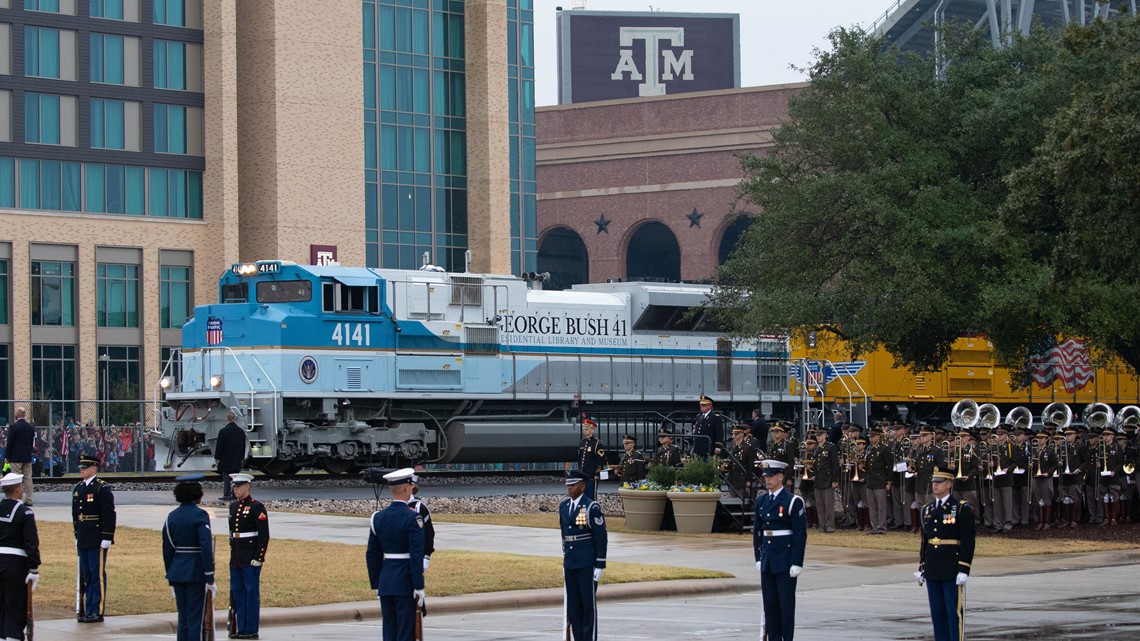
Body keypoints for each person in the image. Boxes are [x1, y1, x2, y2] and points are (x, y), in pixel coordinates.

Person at [366, 468, 425, 641]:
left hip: (385, 581)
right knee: (405, 633)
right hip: (405, 581)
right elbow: (416, 555)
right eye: (411, 486)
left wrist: (377, 583)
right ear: (406, 489)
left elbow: (372, 554)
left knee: (389, 631)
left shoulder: (377, 517)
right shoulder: (413, 518)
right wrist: (419, 586)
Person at [918, 466, 976, 641]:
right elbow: (925, 540)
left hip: (951, 568)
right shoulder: (927, 510)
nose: (935, 485)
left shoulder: (960, 509)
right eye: (933, 482)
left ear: (949, 484)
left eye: (939, 482)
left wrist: (964, 569)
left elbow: (967, 542)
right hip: (933, 568)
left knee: (953, 613)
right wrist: (922, 566)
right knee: (937, 614)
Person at [753, 460, 806, 641]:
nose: (767, 480)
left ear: (781, 477)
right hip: (768, 559)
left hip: (784, 559)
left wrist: (797, 562)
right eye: (766, 476)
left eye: (771, 476)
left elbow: (800, 535)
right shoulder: (761, 500)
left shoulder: (792, 501)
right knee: (770, 605)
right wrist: (758, 556)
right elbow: (758, 531)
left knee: (785, 606)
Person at [162, 473, 216, 641]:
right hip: (196, 572)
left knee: (183, 619)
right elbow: (205, 547)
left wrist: (171, 575)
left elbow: (167, 549)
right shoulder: (200, 515)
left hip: (177, 571)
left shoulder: (171, 516)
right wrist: (210, 576)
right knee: (194, 620)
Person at [560, 470, 607, 641]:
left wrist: (600, 564)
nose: (569, 488)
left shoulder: (591, 507)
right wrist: (565, 559)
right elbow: (564, 535)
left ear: (582, 486)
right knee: (573, 606)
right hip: (571, 562)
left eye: (572, 485)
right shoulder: (564, 506)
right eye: (568, 485)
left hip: (587, 563)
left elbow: (600, 538)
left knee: (588, 606)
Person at [72, 455, 116, 623]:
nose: (81, 470)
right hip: (84, 536)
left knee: (96, 574)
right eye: (81, 468)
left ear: (93, 468)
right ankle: (88, 609)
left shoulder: (101, 488)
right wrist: (77, 536)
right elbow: (76, 515)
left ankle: (96, 610)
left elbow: (109, 513)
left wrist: (107, 536)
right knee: (87, 574)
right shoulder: (78, 488)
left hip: (97, 537)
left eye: (85, 468)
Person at [228, 473, 269, 640]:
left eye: (239, 486)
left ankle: (251, 629)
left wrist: (259, 556)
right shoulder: (233, 507)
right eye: (234, 487)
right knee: (238, 592)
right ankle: (241, 628)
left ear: (247, 486)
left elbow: (263, 535)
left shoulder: (256, 507)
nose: (236, 490)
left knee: (251, 592)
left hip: (250, 555)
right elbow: (232, 533)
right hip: (237, 556)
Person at [0, 472, 40, 641]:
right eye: (21, 487)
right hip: (15, 564)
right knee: (16, 605)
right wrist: (34, 568)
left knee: (2, 604)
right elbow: (31, 543)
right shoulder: (25, 513)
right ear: (17, 489)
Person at [4, 407, 35, 507]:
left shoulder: (13, 427)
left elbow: (10, 443)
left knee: (16, 478)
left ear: (17, 415)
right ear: (24, 415)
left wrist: (7, 456)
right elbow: (31, 443)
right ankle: (29, 499)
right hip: (27, 457)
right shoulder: (30, 427)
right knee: (28, 478)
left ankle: (17, 499)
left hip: (16, 457)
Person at [811, 429, 840, 533]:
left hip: (828, 478)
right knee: (820, 504)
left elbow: (835, 465)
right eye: (817, 435)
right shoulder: (816, 448)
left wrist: (834, 480)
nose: (818, 437)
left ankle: (829, 526)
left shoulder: (830, 447)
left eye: (820, 435)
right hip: (818, 478)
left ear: (825, 435)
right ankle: (822, 525)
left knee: (828, 505)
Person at [214, 411, 248, 501]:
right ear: (235, 419)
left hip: (225, 458)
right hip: (237, 458)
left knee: (226, 477)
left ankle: (227, 494)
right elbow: (243, 446)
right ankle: (235, 494)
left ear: (227, 419)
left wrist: (217, 457)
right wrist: (242, 458)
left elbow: (220, 446)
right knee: (235, 477)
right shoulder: (241, 431)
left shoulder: (223, 431)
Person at [408, 475, 435, 572]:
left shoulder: (419, 507)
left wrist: (426, 556)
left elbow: (428, 533)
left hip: (415, 554)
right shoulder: (395, 506)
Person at [576, 418, 606, 500]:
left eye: (587, 429)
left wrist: (597, 473)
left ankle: (592, 508)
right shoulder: (582, 442)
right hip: (583, 474)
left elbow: (600, 459)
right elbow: (580, 458)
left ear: (592, 430)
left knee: (591, 495)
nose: (584, 430)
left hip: (591, 475)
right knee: (583, 496)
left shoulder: (597, 443)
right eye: (584, 429)